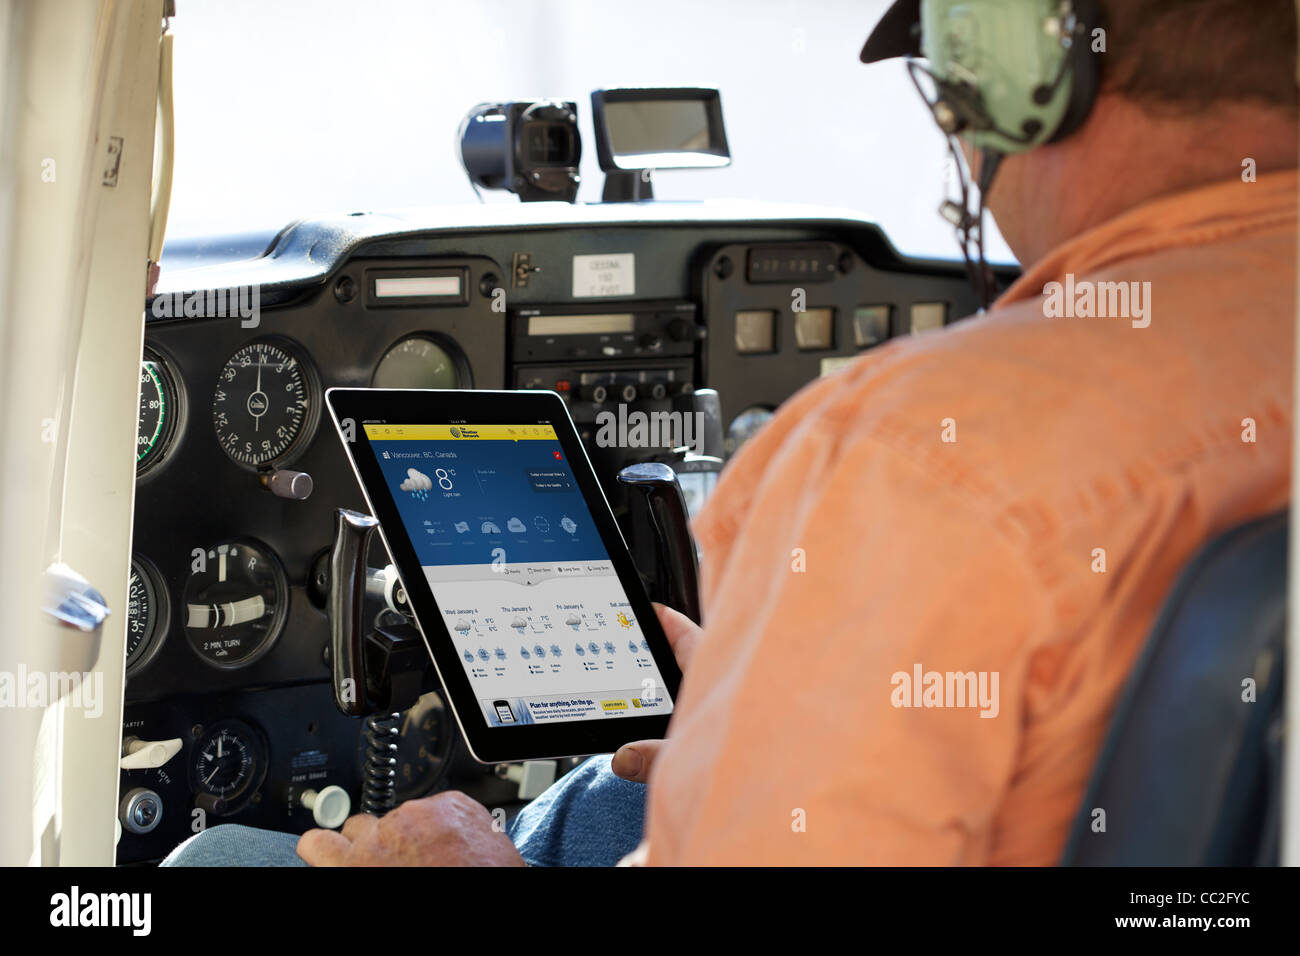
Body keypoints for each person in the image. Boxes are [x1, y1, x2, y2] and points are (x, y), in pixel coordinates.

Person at [166, 0, 1300, 866]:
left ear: (1022, 69)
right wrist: (779, 702)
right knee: (615, 793)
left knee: (220, 854)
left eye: (949, 68)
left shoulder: (916, 456)